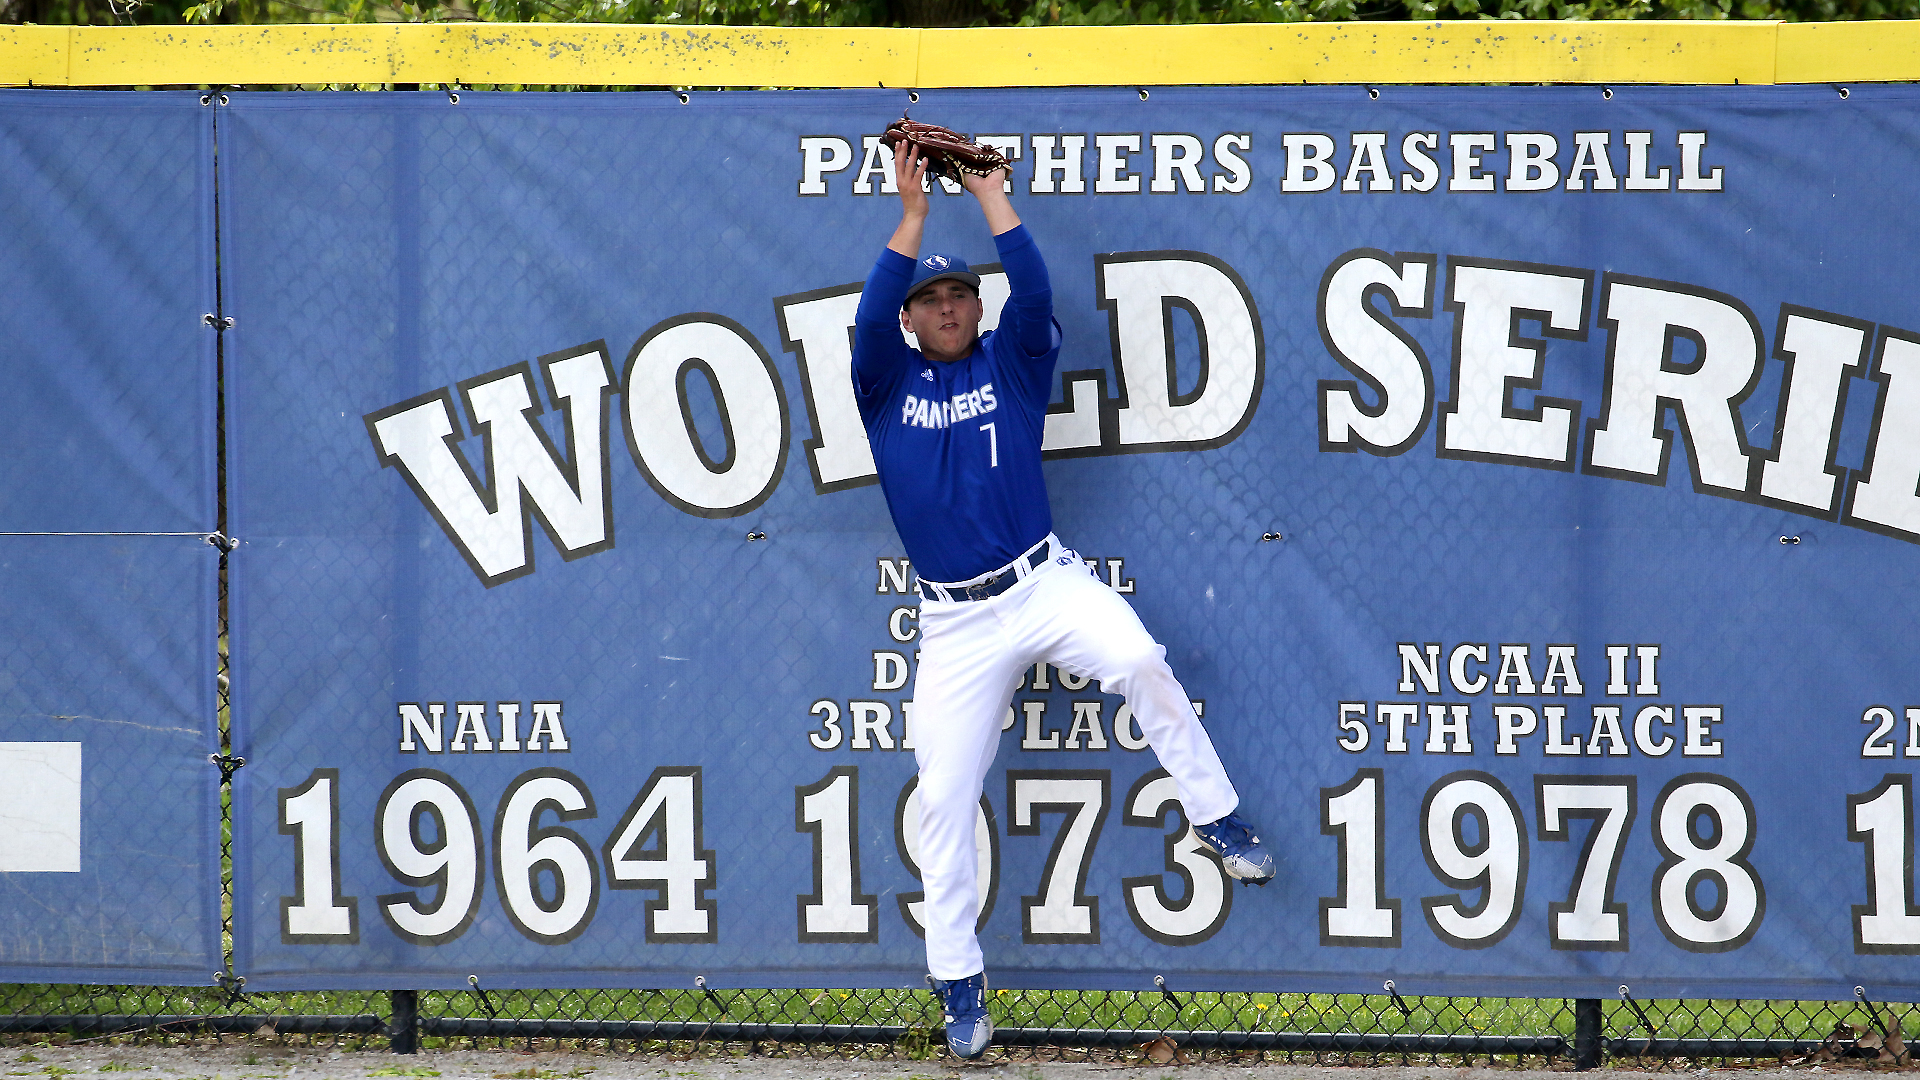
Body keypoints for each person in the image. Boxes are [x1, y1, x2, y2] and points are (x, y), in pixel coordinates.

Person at [851, 141, 1274, 1061]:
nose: (948, 307)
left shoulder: (1011, 363)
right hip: (956, 620)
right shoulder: (883, 387)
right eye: (931, 300)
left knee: (1138, 659)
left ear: (974, 304)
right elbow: (866, 321)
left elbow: (1034, 298)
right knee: (943, 798)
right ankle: (959, 985)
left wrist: (994, 201)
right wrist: (915, 216)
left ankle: (1214, 813)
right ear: (913, 319)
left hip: (1043, 581)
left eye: (959, 293)